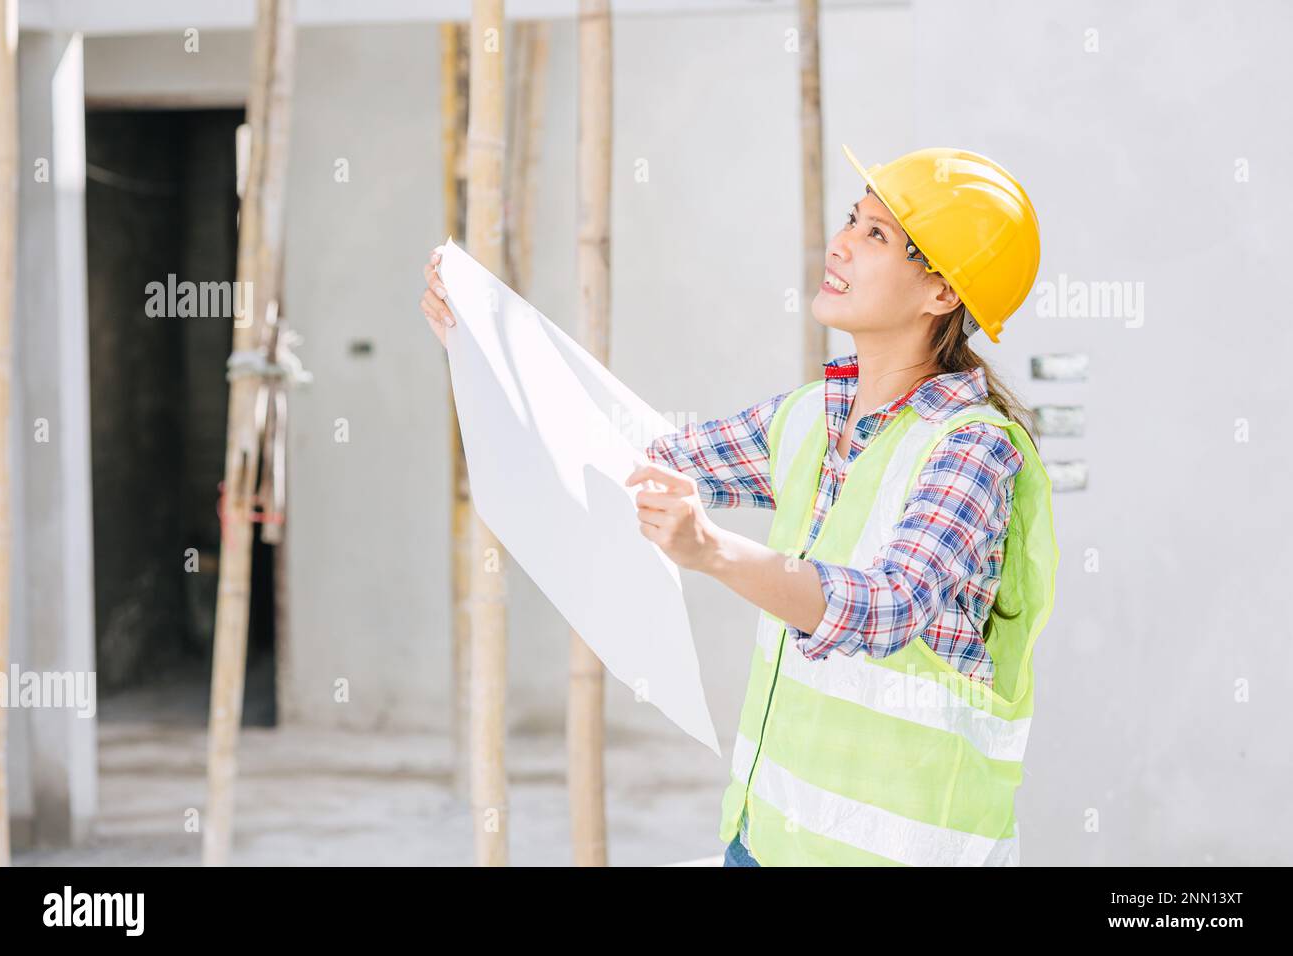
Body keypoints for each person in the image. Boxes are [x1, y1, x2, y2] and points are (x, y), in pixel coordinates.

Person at [420, 146, 1059, 868]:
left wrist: (713, 552)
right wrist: (484, 348)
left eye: (876, 235)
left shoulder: (972, 449)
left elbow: (890, 605)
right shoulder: (815, 417)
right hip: (763, 841)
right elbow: (641, 458)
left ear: (941, 294)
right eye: (853, 219)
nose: (840, 242)